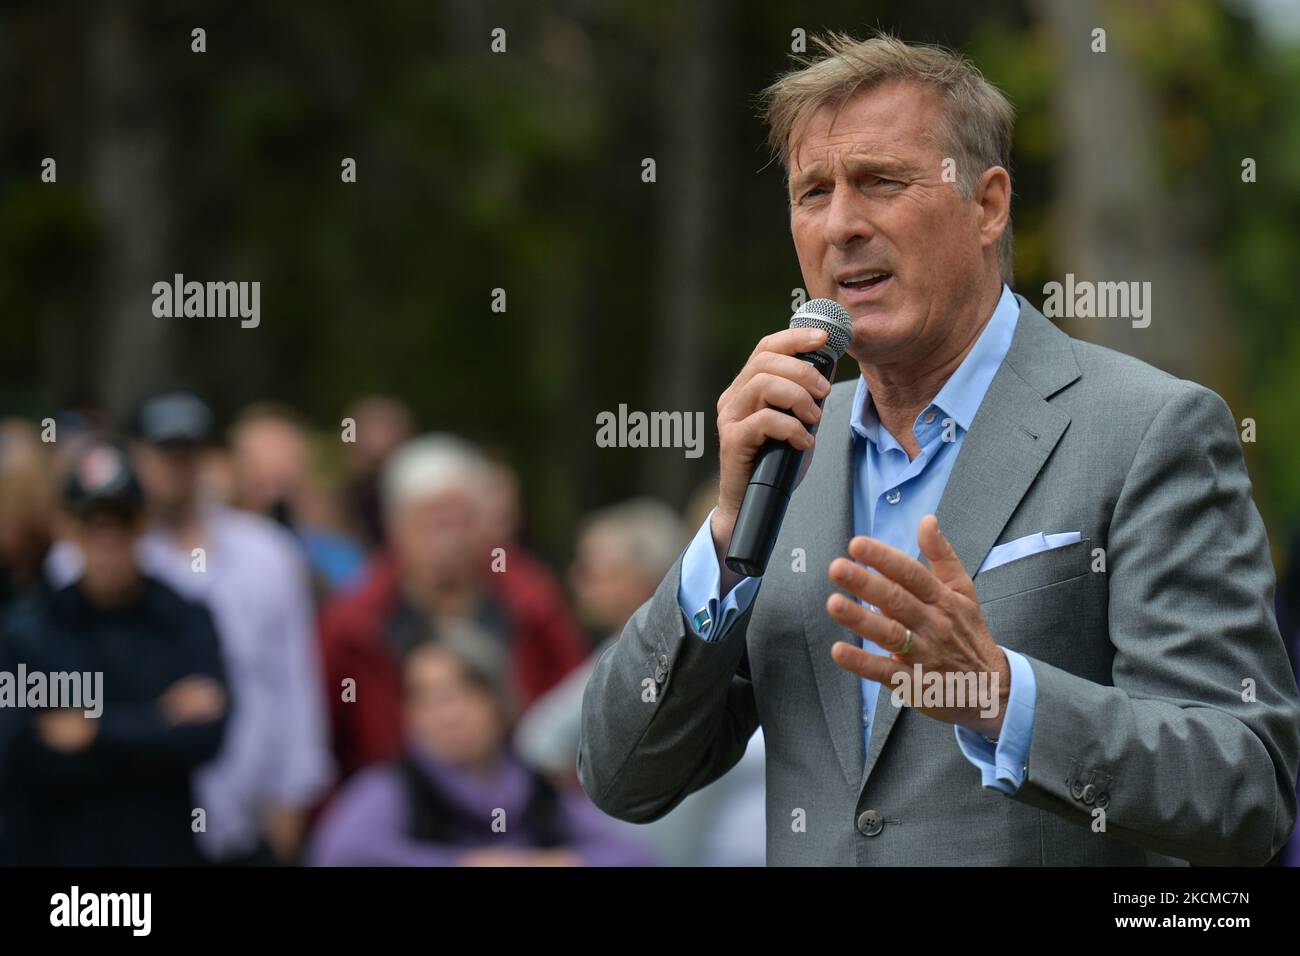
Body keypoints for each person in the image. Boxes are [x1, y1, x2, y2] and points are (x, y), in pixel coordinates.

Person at [579, 33, 1300, 866]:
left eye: (881, 182)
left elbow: (1245, 787)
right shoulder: (787, 457)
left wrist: (1000, 695)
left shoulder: (1149, 430)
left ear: (987, 205)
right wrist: (725, 539)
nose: (843, 224)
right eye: (813, 191)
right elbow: (622, 774)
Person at [47, 392, 335, 863]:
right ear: (133, 453)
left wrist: (293, 793)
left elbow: (293, 681)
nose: (175, 467)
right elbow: (68, 716)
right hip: (129, 822)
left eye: (187, 453)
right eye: (162, 452)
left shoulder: (268, 553)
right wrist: (155, 720)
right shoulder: (86, 560)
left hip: (244, 822)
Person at [0, 441, 228, 865]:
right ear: (67, 527)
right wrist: (156, 719)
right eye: (91, 522)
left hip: (159, 851)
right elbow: (20, 752)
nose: (107, 538)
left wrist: (93, 731)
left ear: (141, 524)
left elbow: (205, 738)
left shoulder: (183, 619)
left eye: (120, 521)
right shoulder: (28, 630)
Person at [319, 434, 587, 783]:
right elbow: (326, 735)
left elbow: (582, 715)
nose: (450, 538)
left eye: (462, 520)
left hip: (522, 806)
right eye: (432, 522)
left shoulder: (534, 604)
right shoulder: (353, 623)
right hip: (395, 810)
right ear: (395, 528)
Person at [515, 498, 767, 866]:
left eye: (595, 571)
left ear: (640, 575)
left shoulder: (713, 638)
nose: (577, 580)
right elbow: (540, 742)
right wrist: (589, 828)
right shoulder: (621, 656)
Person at [308, 623, 651, 866]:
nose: (446, 715)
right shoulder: (390, 791)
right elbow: (340, 855)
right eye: (425, 698)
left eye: (462, 694)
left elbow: (634, 857)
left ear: (499, 702)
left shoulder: (537, 789)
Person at [227, 402, 366, 596]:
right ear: (235, 467)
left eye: (285, 460)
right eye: (259, 461)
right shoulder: (209, 549)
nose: (273, 473)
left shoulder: (336, 555)